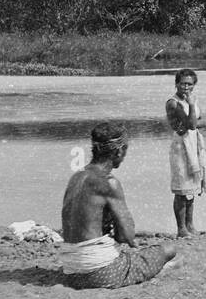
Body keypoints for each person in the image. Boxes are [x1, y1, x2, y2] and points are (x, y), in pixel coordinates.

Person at [60, 123, 179, 289]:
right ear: (119, 151)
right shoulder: (109, 183)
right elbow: (126, 236)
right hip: (98, 272)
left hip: (70, 273)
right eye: (125, 151)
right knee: (169, 249)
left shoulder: (76, 177)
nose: (124, 157)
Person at [166, 69, 206, 237]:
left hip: (192, 143)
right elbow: (191, 124)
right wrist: (191, 105)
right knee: (181, 190)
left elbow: (199, 120)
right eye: (182, 83)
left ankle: (190, 225)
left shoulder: (193, 99)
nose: (185, 87)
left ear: (194, 85)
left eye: (189, 84)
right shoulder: (173, 102)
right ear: (176, 83)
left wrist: (195, 115)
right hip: (180, 146)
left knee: (192, 188)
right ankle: (181, 229)